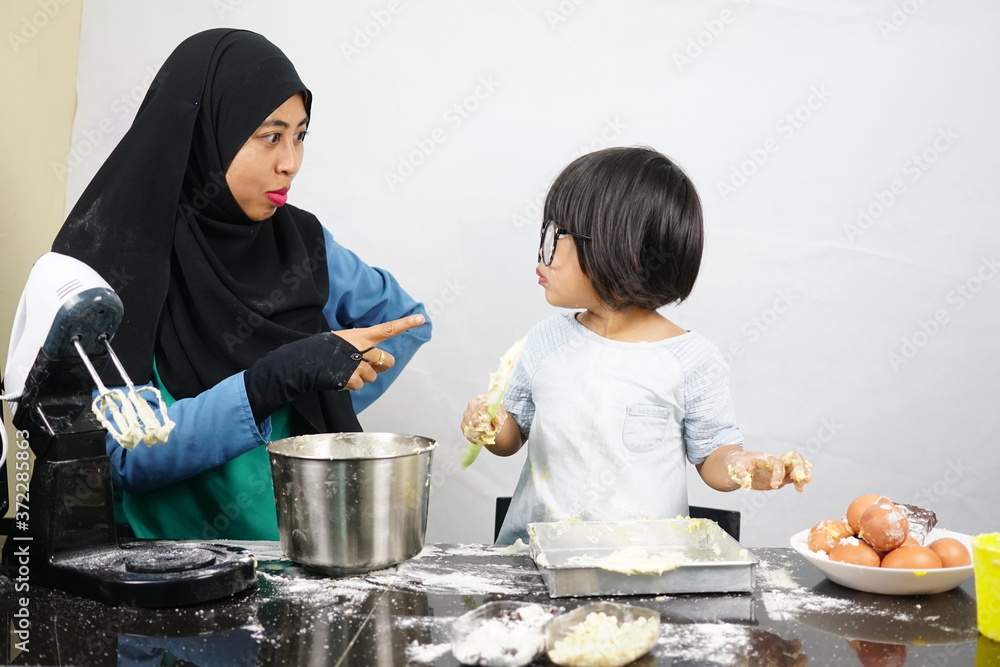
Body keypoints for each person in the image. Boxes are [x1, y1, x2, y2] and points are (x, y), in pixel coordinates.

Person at [50, 28, 431, 540]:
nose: (290, 162)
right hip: (164, 573)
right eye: (270, 136)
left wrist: (317, 391)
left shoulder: (299, 242)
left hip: (295, 554)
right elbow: (121, 457)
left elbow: (406, 323)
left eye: (300, 135)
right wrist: (269, 384)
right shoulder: (110, 257)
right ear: (209, 131)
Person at [460, 146, 810, 545]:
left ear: (619, 249)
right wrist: (489, 426)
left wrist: (741, 465)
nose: (544, 253)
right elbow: (512, 437)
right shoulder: (545, 340)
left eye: (558, 237)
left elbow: (712, 457)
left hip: (644, 569)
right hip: (533, 558)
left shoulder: (691, 360)